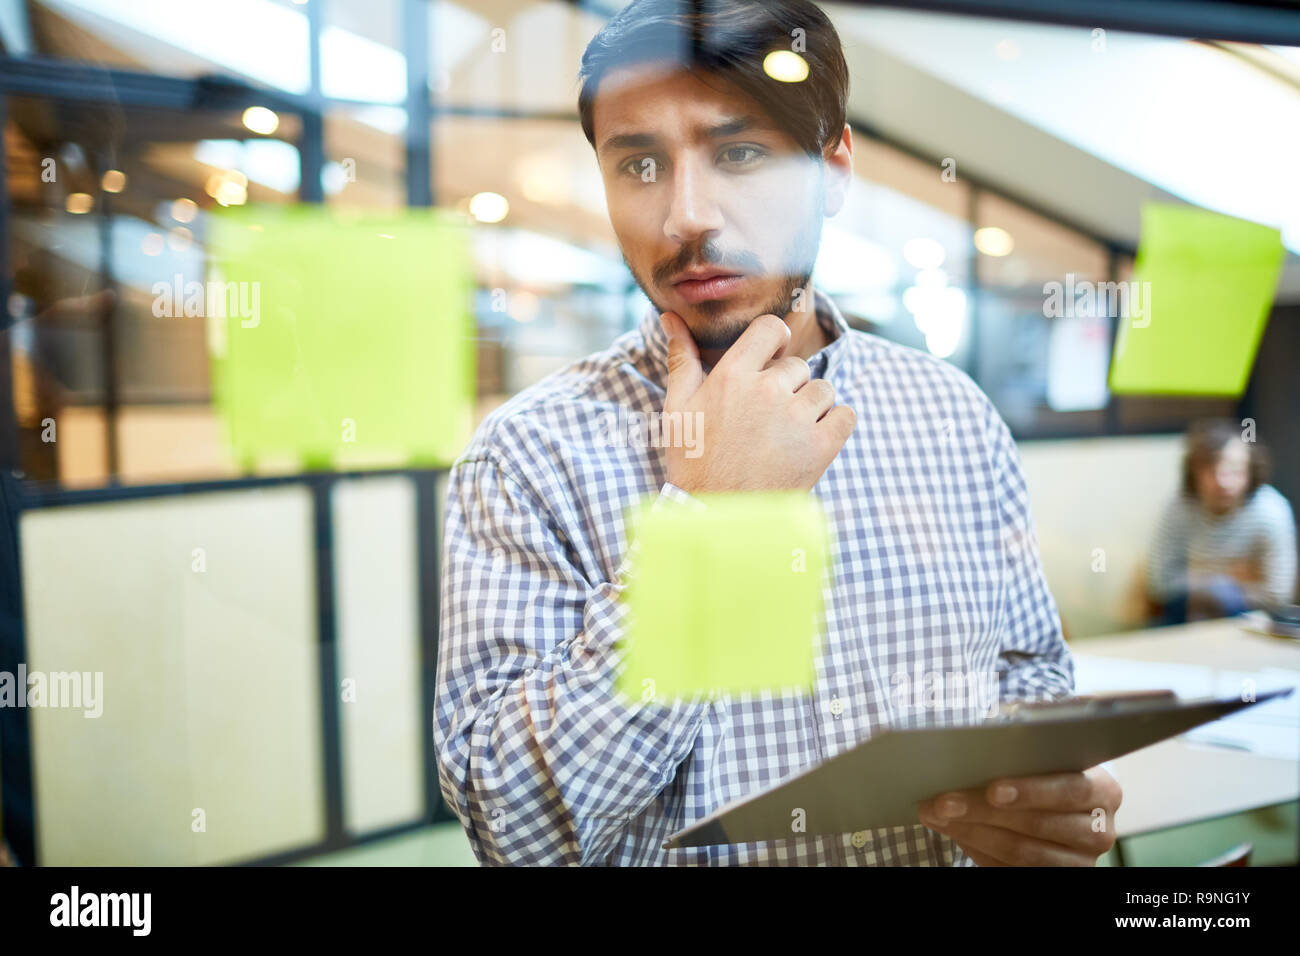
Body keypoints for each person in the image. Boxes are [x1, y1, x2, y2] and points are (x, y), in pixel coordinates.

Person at [434, 0, 1120, 866]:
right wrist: (713, 523)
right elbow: (513, 830)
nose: (687, 216)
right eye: (639, 163)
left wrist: (1041, 808)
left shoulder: (952, 414)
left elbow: (1027, 681)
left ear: (833, 169)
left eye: (741, 153)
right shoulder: (527, 458)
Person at [1147, 419, 1297, 624]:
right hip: (1184, 614)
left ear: (1251, 471)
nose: (1222, 481)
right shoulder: (1180, 506)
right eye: (1210, 470)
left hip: (1249, 620)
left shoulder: (1271, 511)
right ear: (1194, 472)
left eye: (1235, 470)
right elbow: (1161, 583)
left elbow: (1278, 594)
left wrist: (1200, 573)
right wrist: (1229, 579)